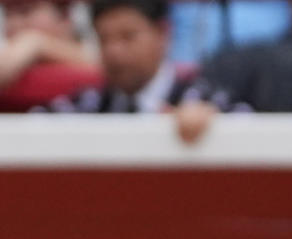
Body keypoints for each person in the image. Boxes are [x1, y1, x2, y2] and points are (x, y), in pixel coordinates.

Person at [51, 0, 243, 139]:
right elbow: (30, 129)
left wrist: (215, 125)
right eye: (103, 39)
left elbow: (252, 128)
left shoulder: (200, 98)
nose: (113, 51)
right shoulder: (88, 104)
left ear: (162, 34)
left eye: (127, 36)